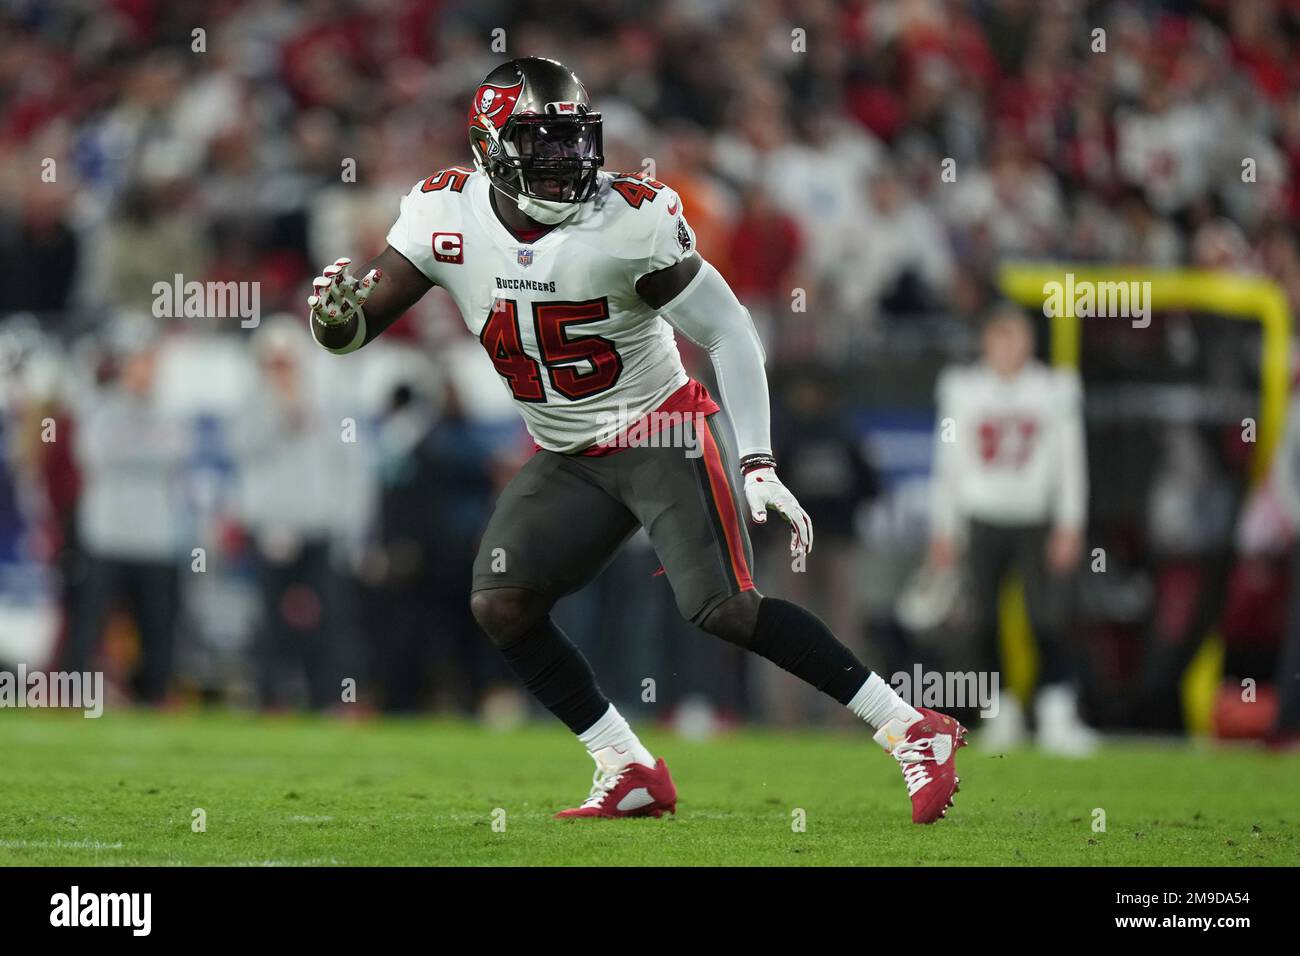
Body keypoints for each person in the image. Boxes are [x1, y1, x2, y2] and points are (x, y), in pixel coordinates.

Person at [305, 57, 965, 823]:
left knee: (722, 608)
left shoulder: (629, 222)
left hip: (662, 430)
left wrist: (755, 457)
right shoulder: (441, 213)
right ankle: (627, 764)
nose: (564, 162)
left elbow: (730, 331)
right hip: (570, 453)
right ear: (490, 149)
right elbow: (356, 328)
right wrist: (334, 319)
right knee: (502, 603)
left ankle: (911, 727)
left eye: (572, 141)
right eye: (539, 144)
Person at [928, 304, 1098, 755]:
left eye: (1016, 336)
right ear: (986, 341)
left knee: (1050, 617)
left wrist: (1070, 522)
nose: (1009, 347)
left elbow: (1070, 460)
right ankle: (1000, 711)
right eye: (1000, 337)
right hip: (981, 515)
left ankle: (1055, 710)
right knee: (980, 620)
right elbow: (949, 461)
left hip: (1035, 516)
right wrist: (944, 525)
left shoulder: (1053, 388)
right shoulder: (962, 388)